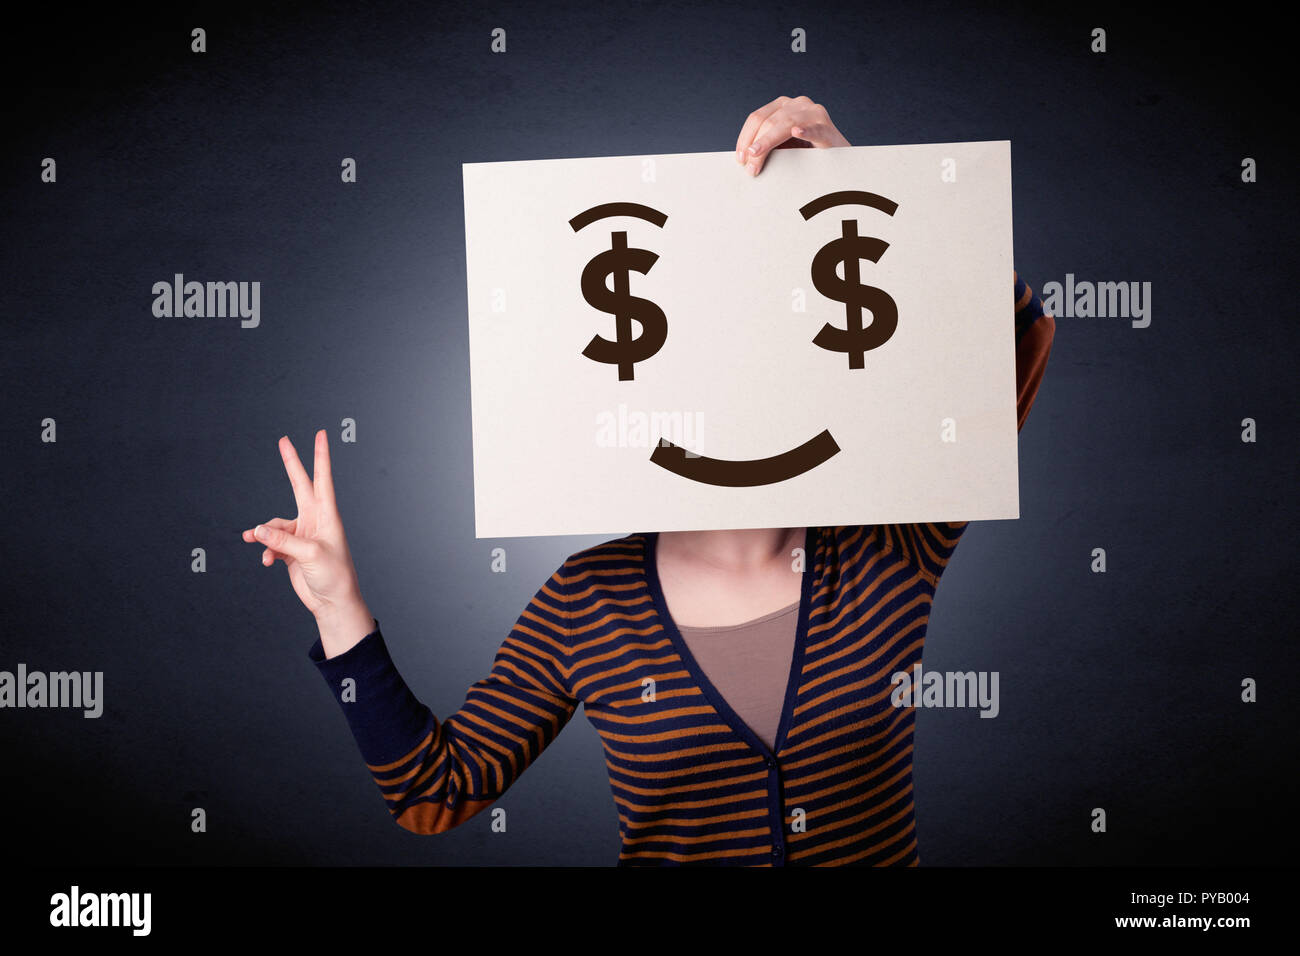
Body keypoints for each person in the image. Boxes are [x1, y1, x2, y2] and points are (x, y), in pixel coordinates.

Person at [242, 96, 1056, 865]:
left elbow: (1017, 337)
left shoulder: (889, 540)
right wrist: (340, 605)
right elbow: (432, 794)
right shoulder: (587, 600)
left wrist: (864, 189)